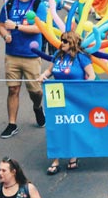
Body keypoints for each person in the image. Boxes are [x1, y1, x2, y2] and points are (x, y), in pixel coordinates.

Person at [0, 0, 47, 138]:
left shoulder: (39, 4)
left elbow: (40, 28)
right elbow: (1, 25)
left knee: (36, 91)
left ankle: (38, 107)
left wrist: (17, 26)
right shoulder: (10, 3)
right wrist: (5, 35)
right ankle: (12, 124)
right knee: (13, 89)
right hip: (12, 54)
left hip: (31, 56)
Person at [40, 30, 95, 174]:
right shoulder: (58, 55)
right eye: (61, 40)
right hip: (56, 94)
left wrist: (82, 90)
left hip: (74, 97)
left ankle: (73, 155)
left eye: (65, 41)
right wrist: (43, 76)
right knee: (56, 125)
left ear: (72, 43)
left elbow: (91, 75)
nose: (61, 43)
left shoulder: (81, 57)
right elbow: (49, 71)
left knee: (72, 126)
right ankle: (56, 159)